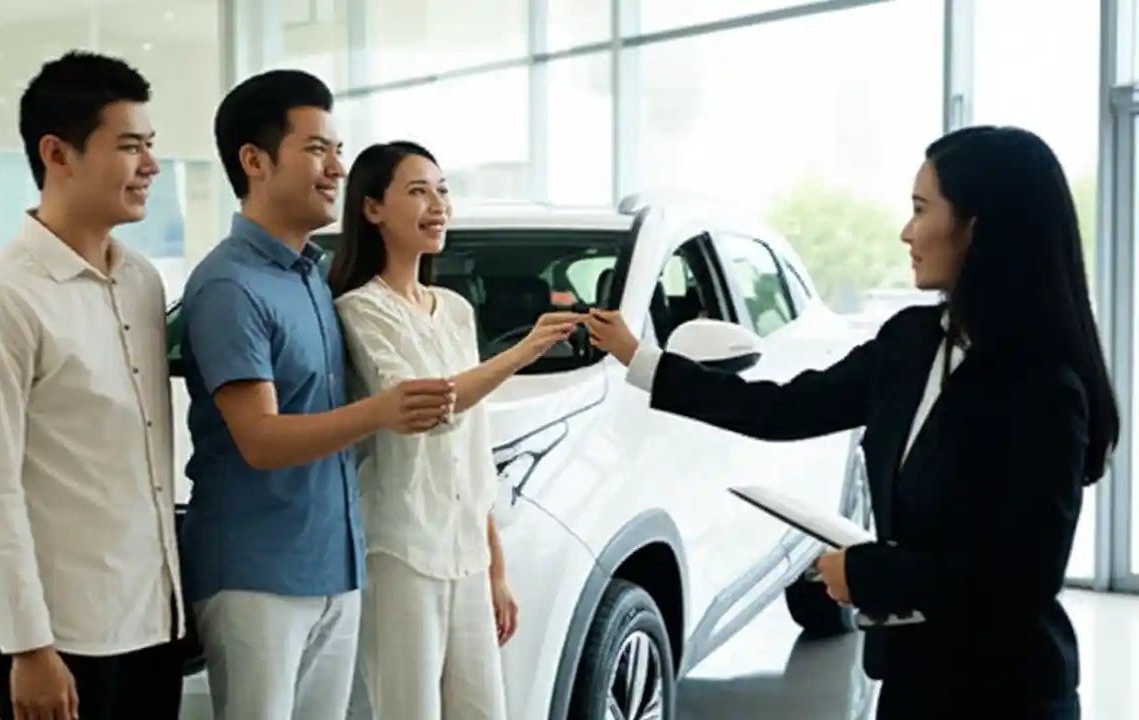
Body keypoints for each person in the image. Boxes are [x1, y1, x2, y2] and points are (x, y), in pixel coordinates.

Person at [585, 125, 1115, 720]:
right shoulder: (911, 342)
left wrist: (867, 573)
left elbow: (1017, 580)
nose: (905, 232)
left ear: (977, 226)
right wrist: (644, 361)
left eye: (921, 210)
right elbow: (784, 408)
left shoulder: (1044, 389)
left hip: (1006, 694)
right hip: (913, 679)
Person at [180, 72, 455, 720]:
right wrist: (383, 412)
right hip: (256, 573)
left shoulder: (311, 277)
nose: (338, 168)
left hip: (337, 564)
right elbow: (261, 438)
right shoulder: (229, 285)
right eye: (317, 150)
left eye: (338, 150)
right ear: (254, 160)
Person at [0, 51, 184, 720]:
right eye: (129, 146)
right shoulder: (0, 300)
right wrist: (27, 647)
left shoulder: (140, 281)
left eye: (151, 146)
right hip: (61, 641)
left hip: (153, 625)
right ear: (58, 153)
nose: (151, 166)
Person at [328, 141, 582, 719]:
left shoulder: (456, 309)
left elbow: (473, 448)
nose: (437, 204)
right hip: (400, 547)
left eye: (442, 190)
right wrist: (525, 349)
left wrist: (495, 566)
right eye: (417, 191)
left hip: (466, 550)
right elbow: (425, 407)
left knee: (483, 711)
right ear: (372, 210)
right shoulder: (361, 309)